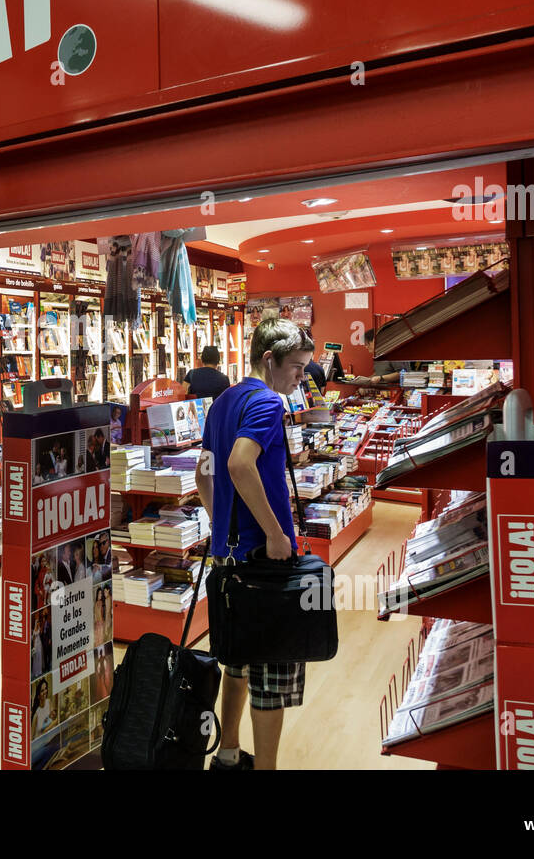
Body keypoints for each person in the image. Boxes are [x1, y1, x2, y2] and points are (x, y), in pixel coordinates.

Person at [195, 317, 314, 771]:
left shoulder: (224, 400)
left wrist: (219, 520)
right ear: (270, 359)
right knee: (273, 674)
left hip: (229, 558)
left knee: (238, 659)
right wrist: (274, 534)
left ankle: (227, 753)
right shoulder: (266, 403)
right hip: (265, 562)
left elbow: (204, 472)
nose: (301, 378)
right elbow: (240, 465)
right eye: (298, 368)